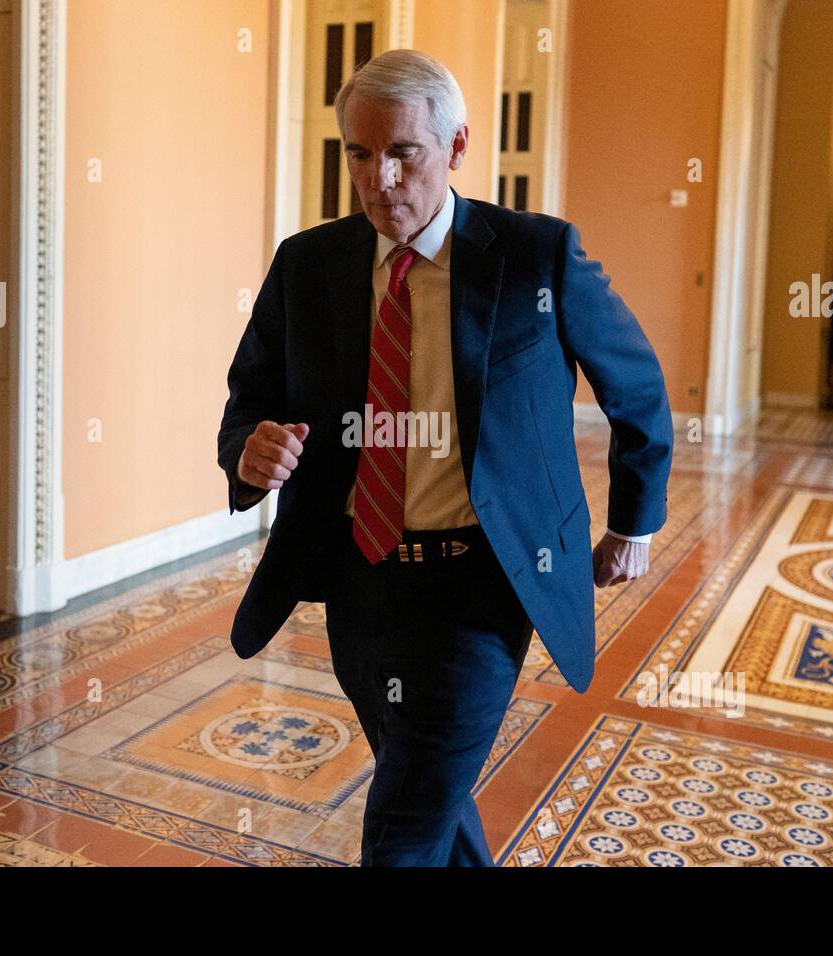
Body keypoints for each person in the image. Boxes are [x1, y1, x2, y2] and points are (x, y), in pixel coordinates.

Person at [217, 50, 672, 866]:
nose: (379, 179)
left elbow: (635, 388)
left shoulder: (535, 256)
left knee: (399, 829)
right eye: (358, 153)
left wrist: (634, 523)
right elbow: (250, 397)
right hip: (362, 576)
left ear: (456, 148)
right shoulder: (309, 265)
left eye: (403, 153)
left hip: (482, 582)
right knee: (427, 791)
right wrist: (248, 453)